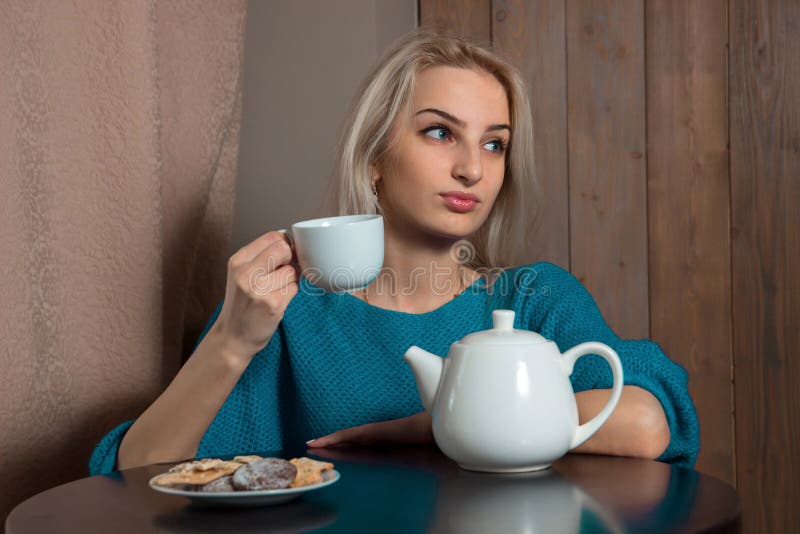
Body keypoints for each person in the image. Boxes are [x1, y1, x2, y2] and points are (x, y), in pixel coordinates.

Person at [90, 30, 699, 476]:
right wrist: (231, 338)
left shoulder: (533, 297)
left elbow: (645, 424)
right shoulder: (294, 316)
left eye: (494, 144)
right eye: (440, 132)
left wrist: (427, 426)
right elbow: (134, 475)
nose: (471, 169)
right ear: (376, 157)